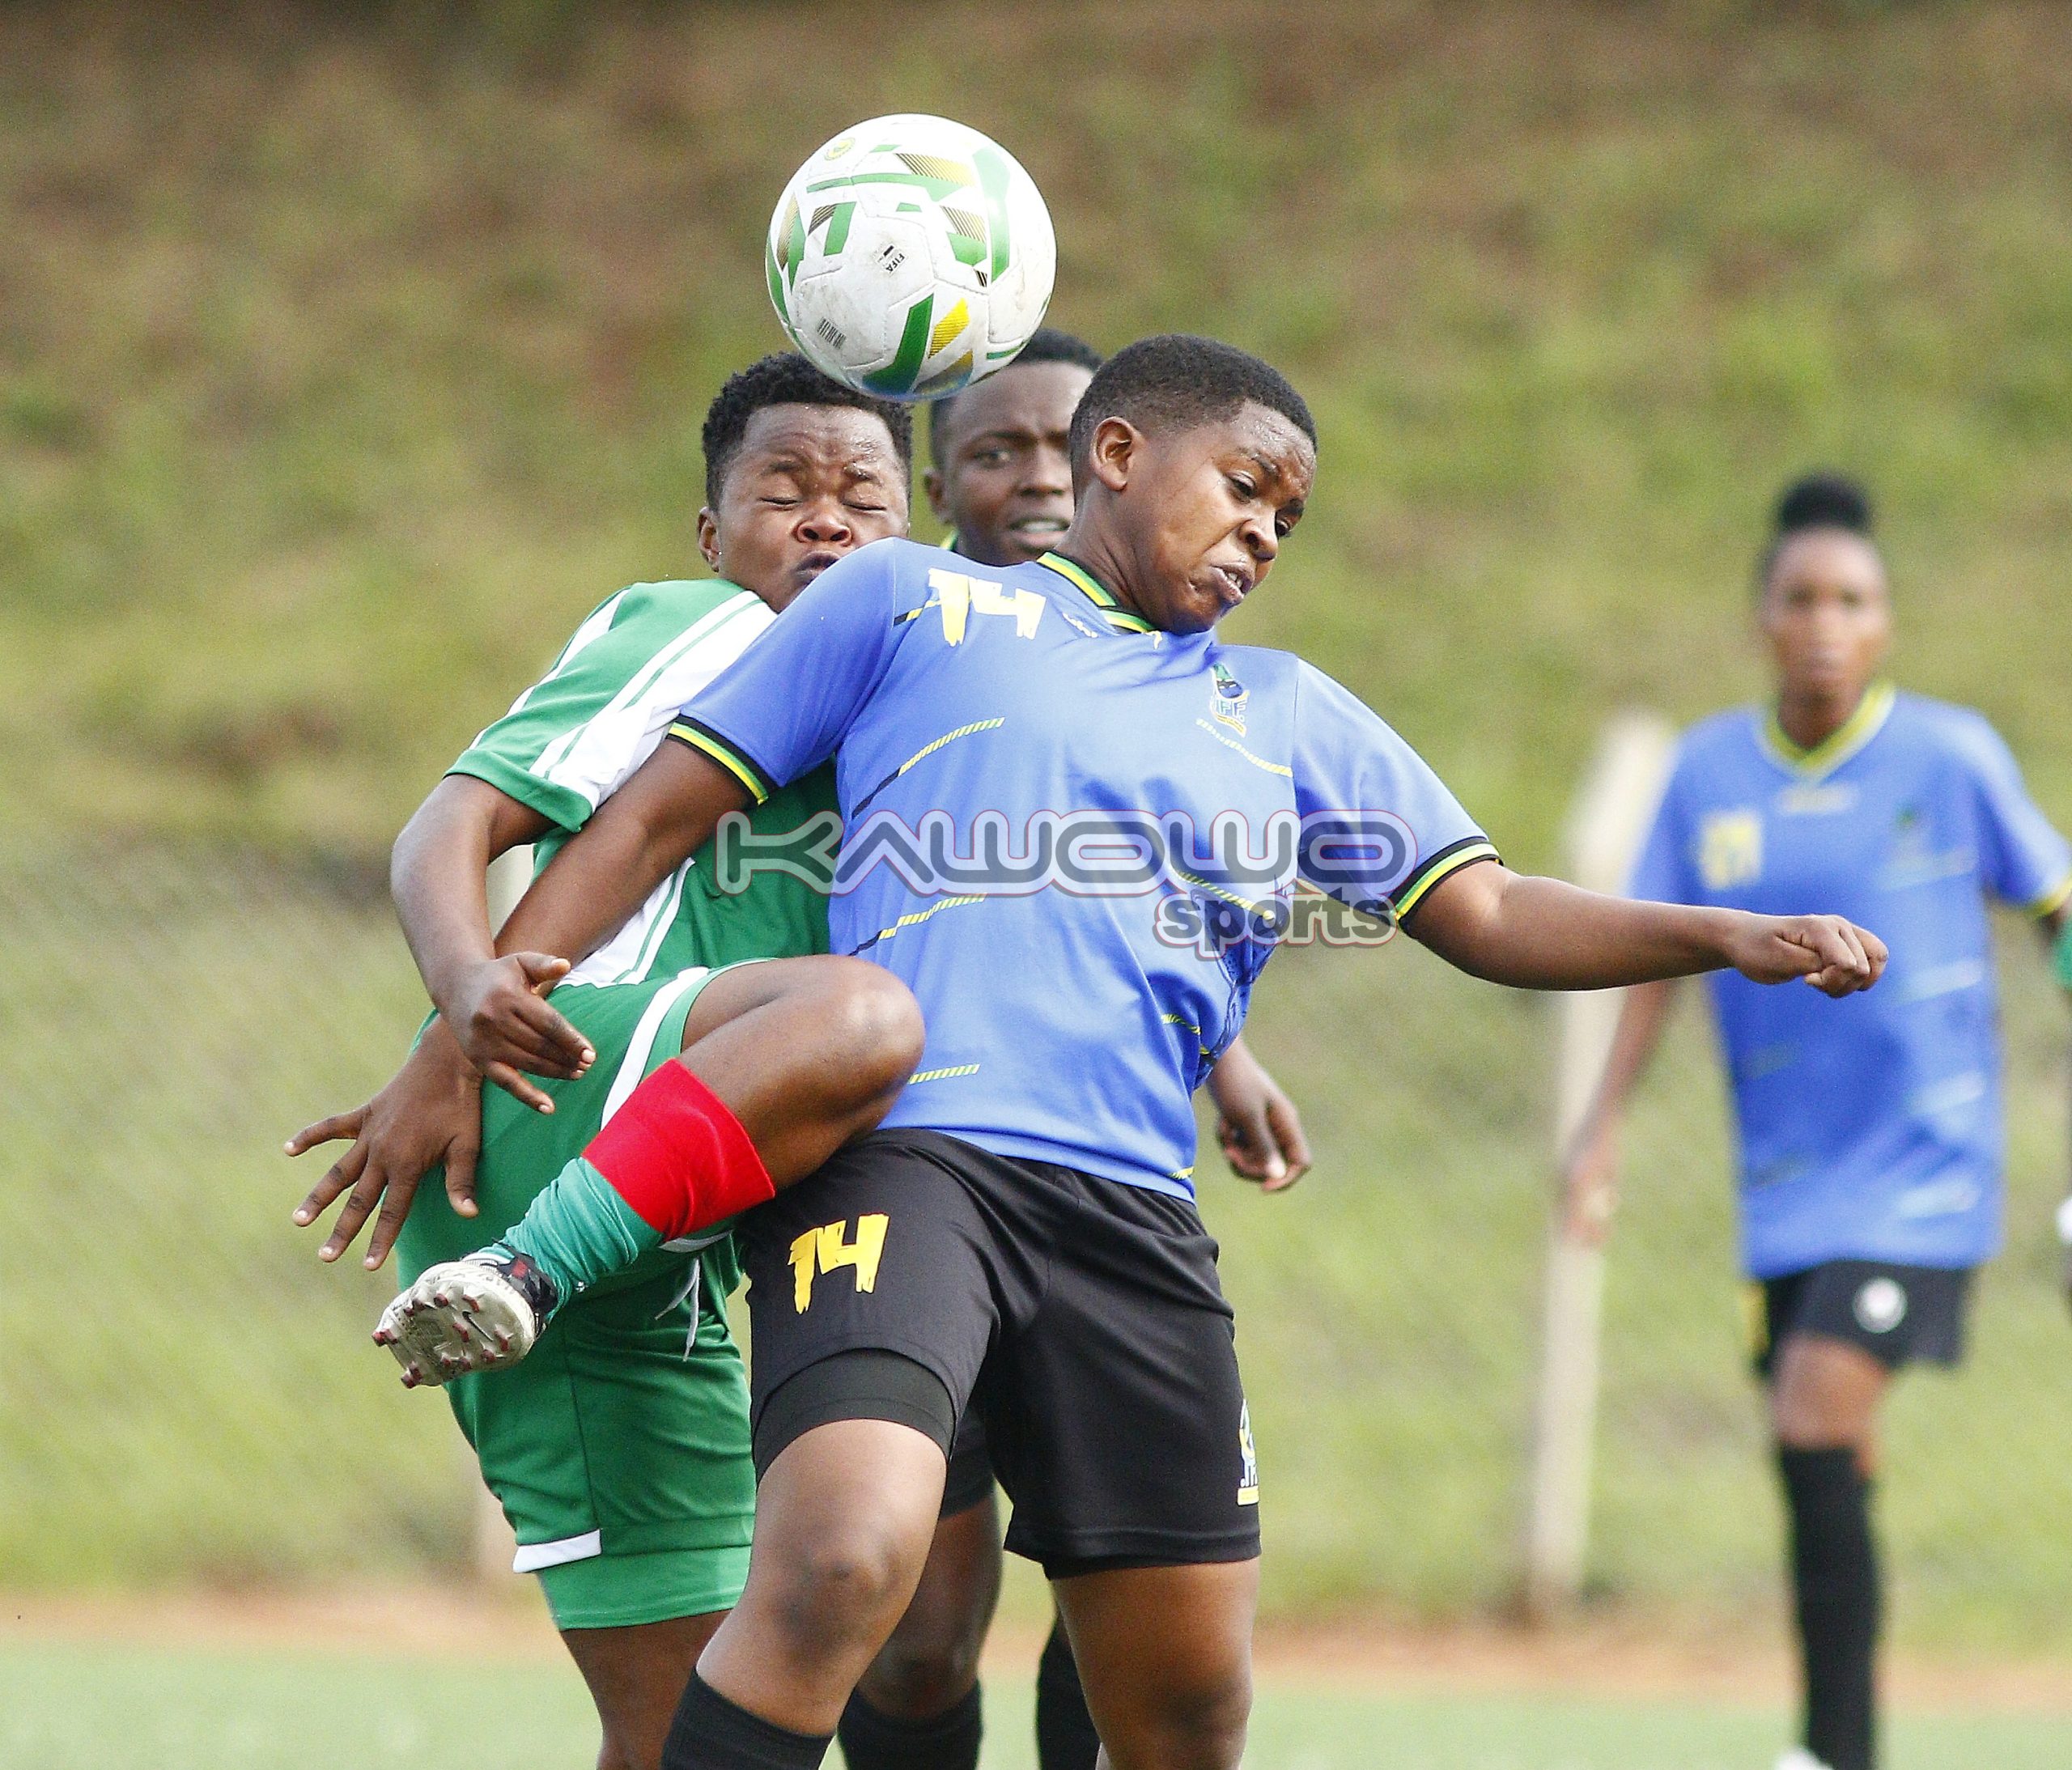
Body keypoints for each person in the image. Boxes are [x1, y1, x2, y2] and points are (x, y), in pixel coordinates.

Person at [414, 335, 1885, 1770]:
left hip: (1130, 1219)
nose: (1264, 532)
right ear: (1114, 453)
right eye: (1245, 485)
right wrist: (468, 1034)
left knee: (1189, 1710)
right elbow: (650, 820)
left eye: (1288, 517)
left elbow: (1489, 912)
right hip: (905, 1171)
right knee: (842, 1570)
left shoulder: (1285, 712)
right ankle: (540, 1271)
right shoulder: (902, 602)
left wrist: (1724, 931)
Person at [291, 348, 1302, 1770]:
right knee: (863, 1017)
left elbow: (1065, 903)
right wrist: (451, 1026)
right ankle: (520, 1273)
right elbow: (461, 834)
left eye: (861, 498)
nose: (828, 522)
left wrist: (1227, 1056)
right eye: (786, 492)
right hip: (572, 1134)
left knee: (686, 1724)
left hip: (693, 1207)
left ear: (918, 531)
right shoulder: (696, 628)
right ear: (710, 534)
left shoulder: (922, 691)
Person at [840, 325, 1310, 1770]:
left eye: (1059, 442)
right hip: (912, 1162)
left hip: (1093, 1182)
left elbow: (1136, 881)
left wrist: (1224, 1055)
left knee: (1116, 1602)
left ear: (1109, 450)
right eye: (996, 450)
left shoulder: (1173, 666)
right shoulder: (889, 630)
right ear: (938, 484)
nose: (1035, 476)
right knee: (915, 1625)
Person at [1560, 473, 2071, 1770]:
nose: (1827, 623)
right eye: (1802, 599)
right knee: (1818, 1455)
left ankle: (1832, 1753)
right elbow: (1660, 959)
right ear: (1762, 621)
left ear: (1886, 622)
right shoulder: (1707, 772)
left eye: (1854, 600)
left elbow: (2058, 912)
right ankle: (1848, 1738)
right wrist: (1600, 1129)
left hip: (1927, 1171)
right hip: (1786, 1182)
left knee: (1811, 1411)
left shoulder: (1950, 758)